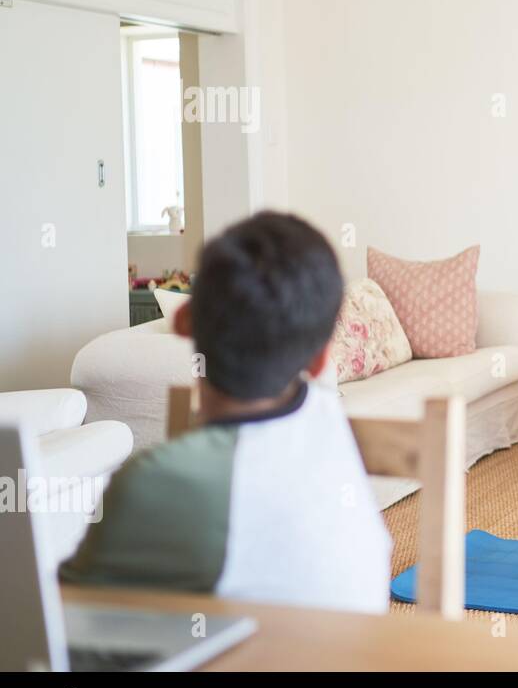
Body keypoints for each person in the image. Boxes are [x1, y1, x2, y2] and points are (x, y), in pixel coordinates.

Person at [59, 211, 393, 613]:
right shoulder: (324, 419)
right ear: (323, 360)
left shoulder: (157, 481)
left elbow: (60, 625)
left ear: (184, 321)